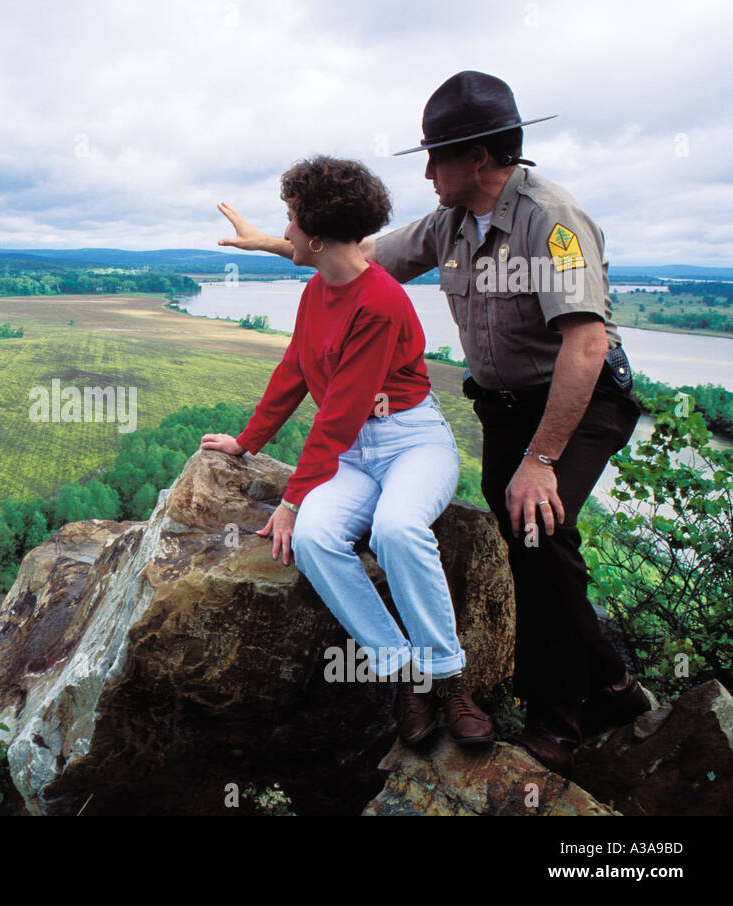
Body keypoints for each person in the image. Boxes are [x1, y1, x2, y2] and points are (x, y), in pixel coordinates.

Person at [217, 72, 651, 778]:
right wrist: (275, 241)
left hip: (578, 400)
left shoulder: (552, 220)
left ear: (479, 158)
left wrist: (541, 459)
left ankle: (563, 716)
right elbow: (354, 255)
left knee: (538, 532)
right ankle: (612, 681)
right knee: (520, 535)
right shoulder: (449, 222)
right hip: (506, 405)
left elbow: (586, 344)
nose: (425, 172)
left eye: (436, 157)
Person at [201, 155, 494, 748]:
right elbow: (293, 372)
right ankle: (400, 669)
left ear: (314, 234)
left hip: (412, 441)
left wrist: (292, 497)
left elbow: (338, 414)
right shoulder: (318, 290)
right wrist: (248, 441)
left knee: (397, 529)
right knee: (312, 540)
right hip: (358, 452)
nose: (283, 233)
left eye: (289, 221)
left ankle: (446, 675)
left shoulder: (380, 303)